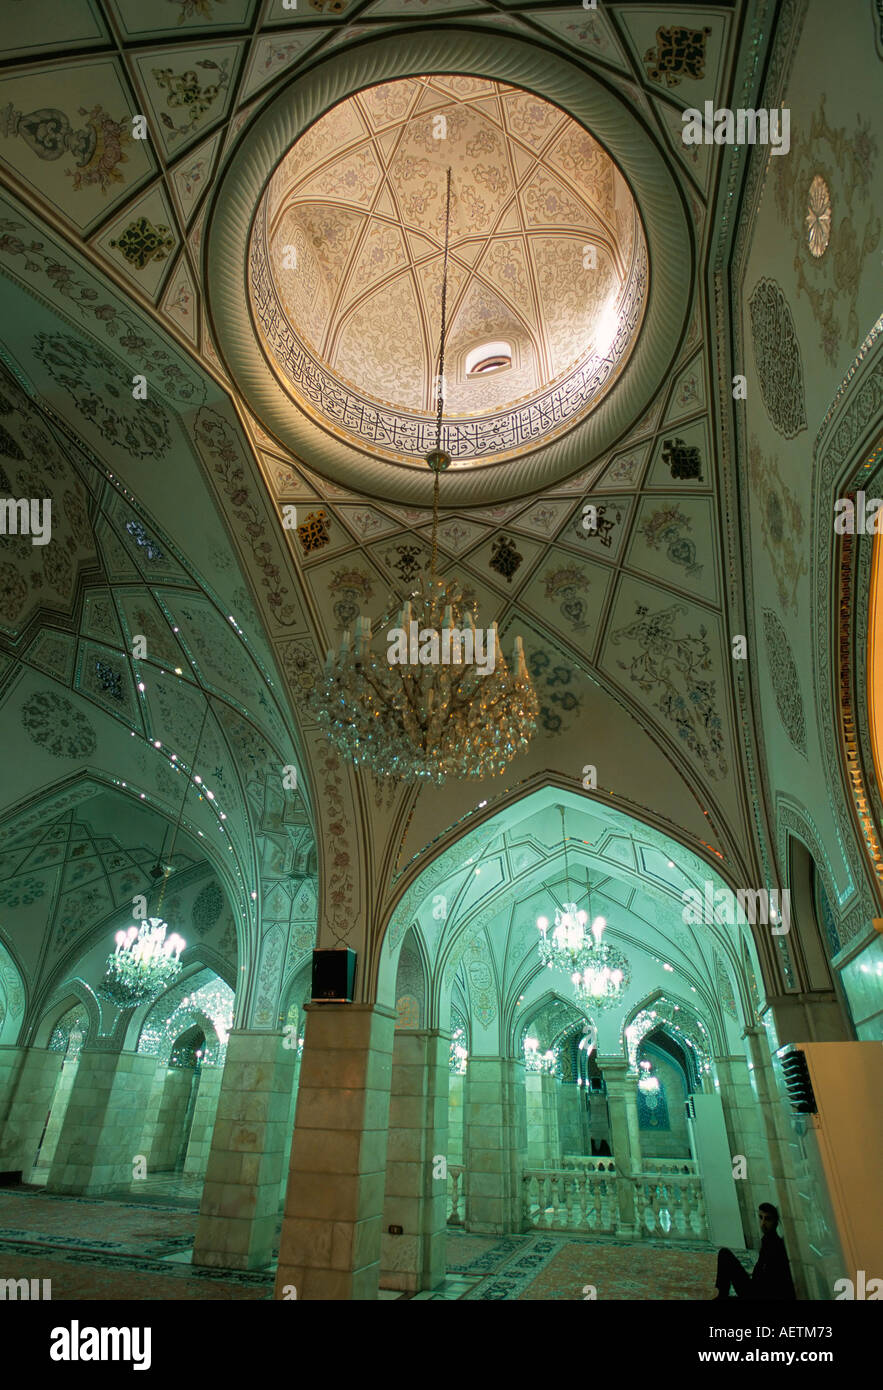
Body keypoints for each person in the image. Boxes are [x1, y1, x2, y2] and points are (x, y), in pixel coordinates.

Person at [710, 1203, 796, 1300]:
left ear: (776, 1222)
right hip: (754, 1289)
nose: (763, 1223)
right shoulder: (767, 1240)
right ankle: (722, 1294)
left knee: (724, 1255)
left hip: (759, 1294)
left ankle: (722, 1296)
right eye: (761, 1218)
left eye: (767, 1219)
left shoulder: (776, 1246)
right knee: (724, 1254)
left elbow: (775, 1284)